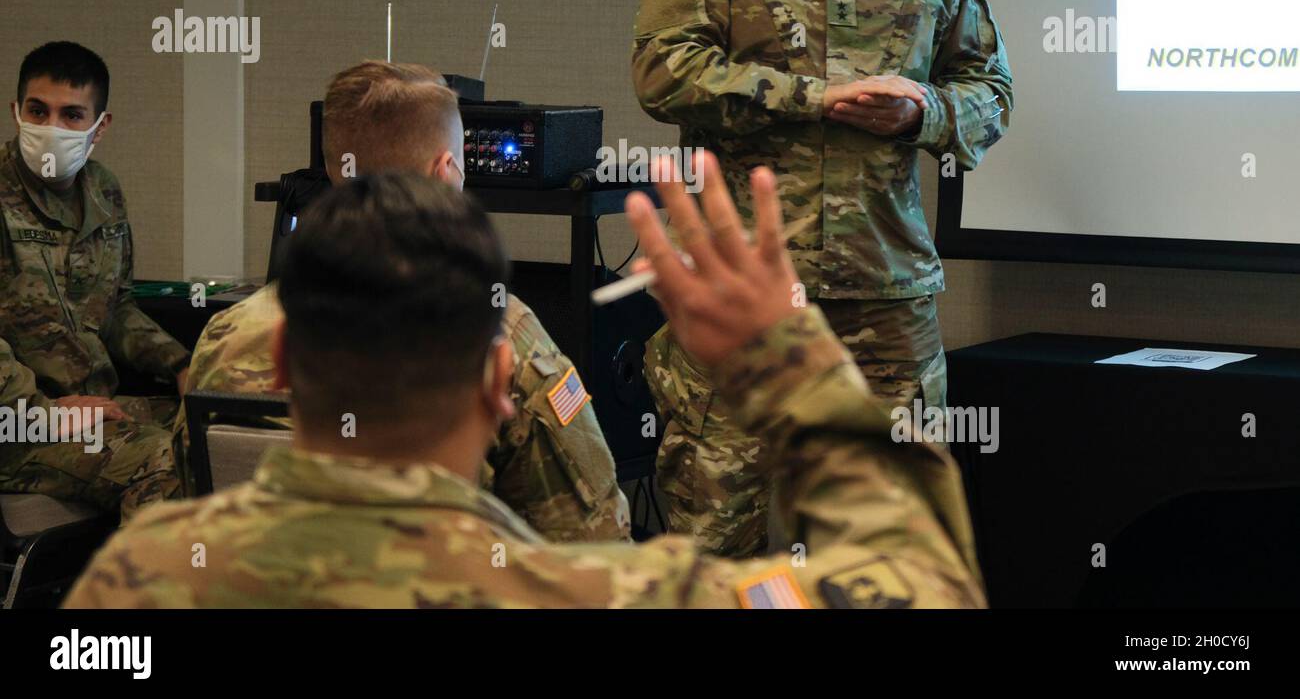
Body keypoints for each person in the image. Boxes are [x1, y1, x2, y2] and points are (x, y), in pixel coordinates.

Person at [65, 156, 985, 608]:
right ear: (501, 377)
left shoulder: (135, 579)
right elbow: (921, 585)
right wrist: (791, 361)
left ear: (280, 366)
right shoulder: (594, 594)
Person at [631, 0, 1013, 554]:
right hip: (744, 288)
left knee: (899, 537)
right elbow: (663, 72)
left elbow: (991, 87)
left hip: (884, 291)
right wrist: (812, 99)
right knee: (712, 533)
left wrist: (924, 112)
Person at [172, 60, 629, 542]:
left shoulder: (228, 332)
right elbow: (595, 539)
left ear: (333, 170)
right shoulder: (500, 332)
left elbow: (193, 491)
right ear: (446, 171)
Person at [0, 42, 187, 520]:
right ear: (16, 111)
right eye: (38, 111)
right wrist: (43, 412)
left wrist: (182, 365)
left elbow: (115, 309)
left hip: (92, 406)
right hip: (16, 425)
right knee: (163, 459)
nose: (52, 128)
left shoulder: (103, 190)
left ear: (99, 126)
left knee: (217, 431)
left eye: (72, 115)